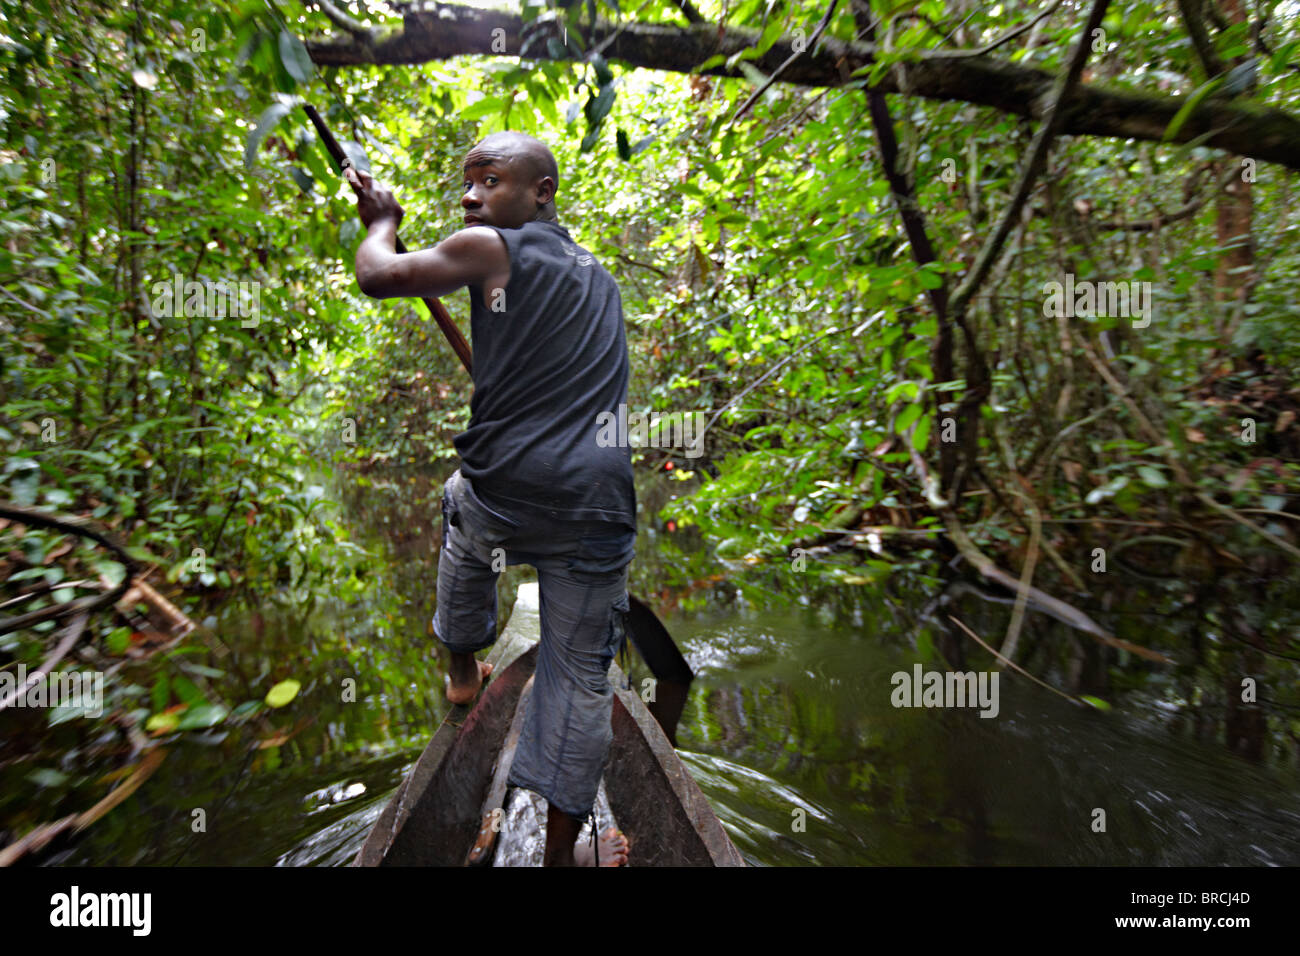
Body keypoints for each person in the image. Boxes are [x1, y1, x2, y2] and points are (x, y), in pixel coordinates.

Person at [345, 131, 634, 867]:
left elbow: (379, 276)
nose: (471, 198)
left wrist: (380, 221)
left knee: (458, 503)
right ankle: (564, 851)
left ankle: (461, 670)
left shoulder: (494, 249)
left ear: (542, 192)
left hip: (507, 495)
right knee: (581, 676)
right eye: (466, 186)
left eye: (490, 182)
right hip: (598, 503)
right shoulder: (598, 277)